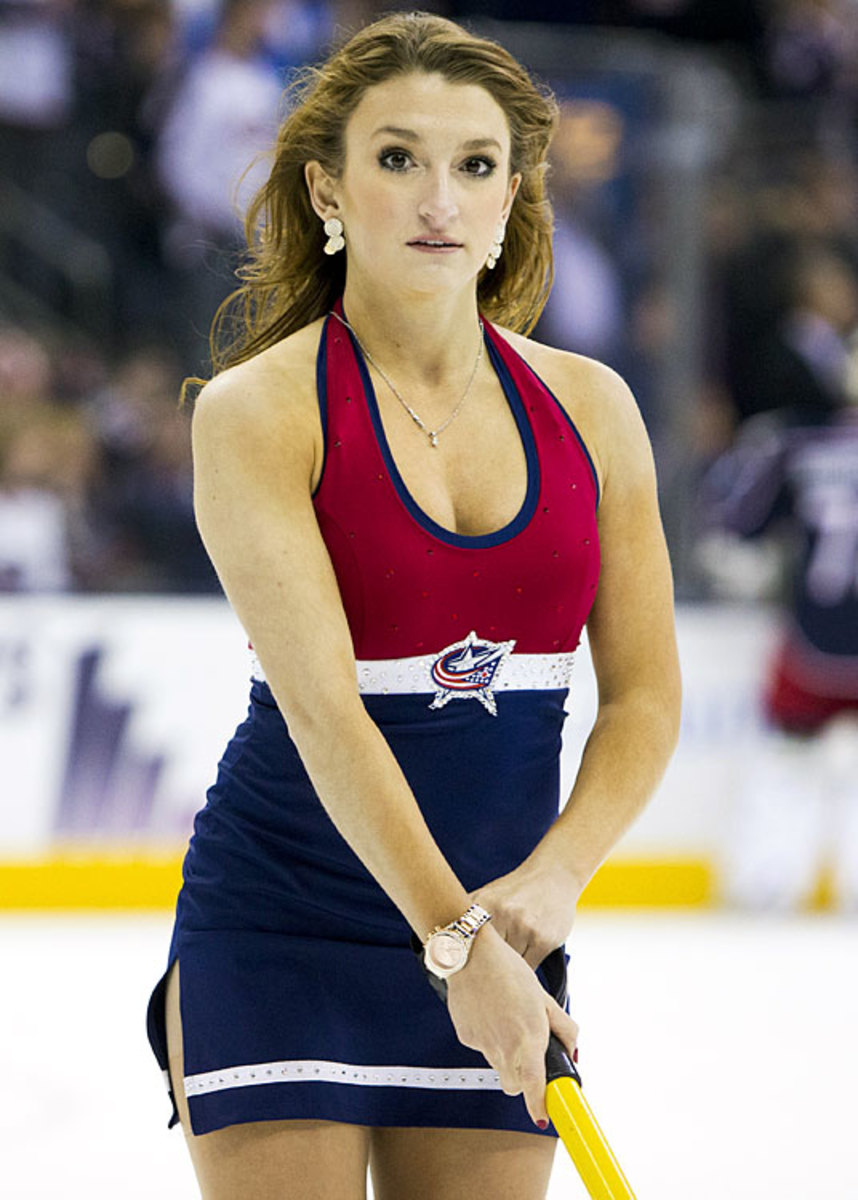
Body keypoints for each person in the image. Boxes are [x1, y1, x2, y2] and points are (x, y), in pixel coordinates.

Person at [146, 13, 681, 1199]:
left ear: (509, 199)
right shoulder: (256, 414)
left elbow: (644, 697)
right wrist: (455, 942)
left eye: (475, 165)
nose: (438, 196)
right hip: (286, 923)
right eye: (398, 159)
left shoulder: (596, 411)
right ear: (328, 187)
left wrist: (548, 887)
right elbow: (329, 717)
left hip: (505, 929)